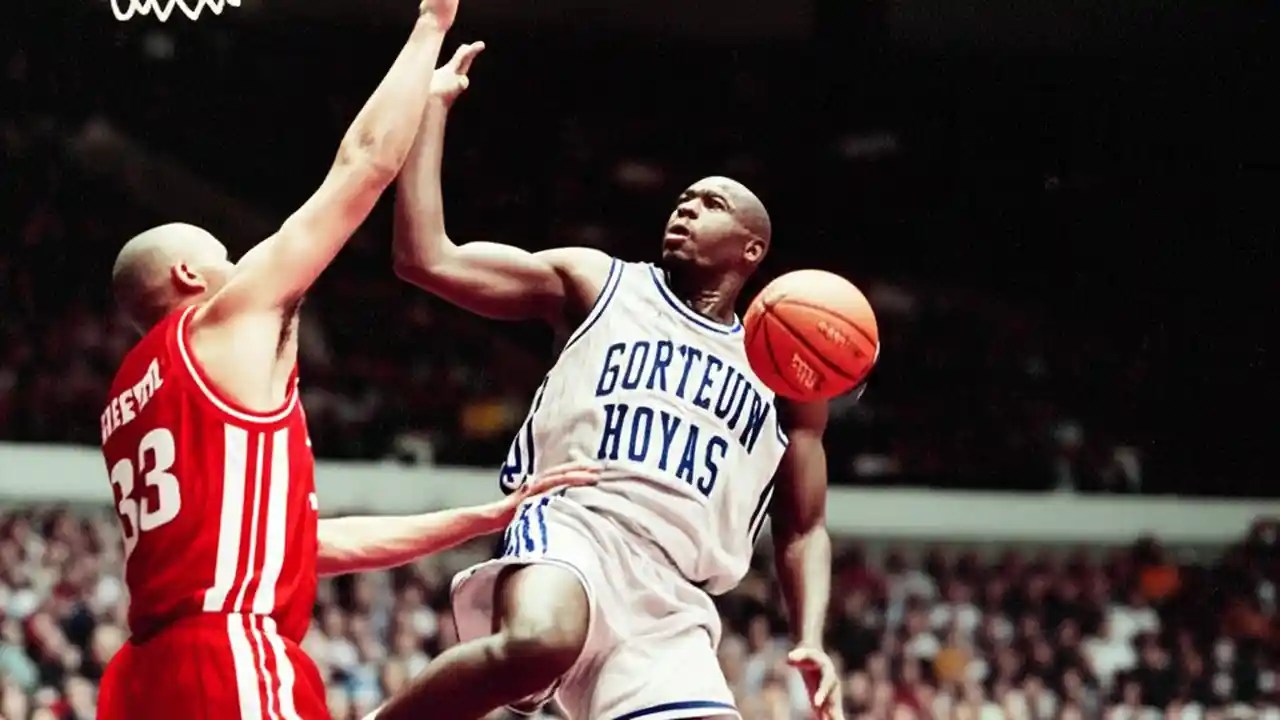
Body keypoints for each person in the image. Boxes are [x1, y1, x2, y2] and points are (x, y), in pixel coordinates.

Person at [376, 42, 850, 720]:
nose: (684, 208)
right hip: (577, 526)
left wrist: (810, 639)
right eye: (682, 198)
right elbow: (425, 259)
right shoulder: (598, 282)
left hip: (675, 598)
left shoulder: (785, 374)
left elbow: (803, 527)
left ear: (751, 249)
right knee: (542, 640)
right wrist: (430, 109)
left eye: (709, 203)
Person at [91, 2, 507, 717]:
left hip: (143, 679)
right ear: (191, 278)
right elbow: (362, 167)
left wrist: (483, 518)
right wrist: (430, 25)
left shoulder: (126, 396)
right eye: (224, 256)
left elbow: (307, 545)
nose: (241, 265)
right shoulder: (220, 322)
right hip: (227, 650)